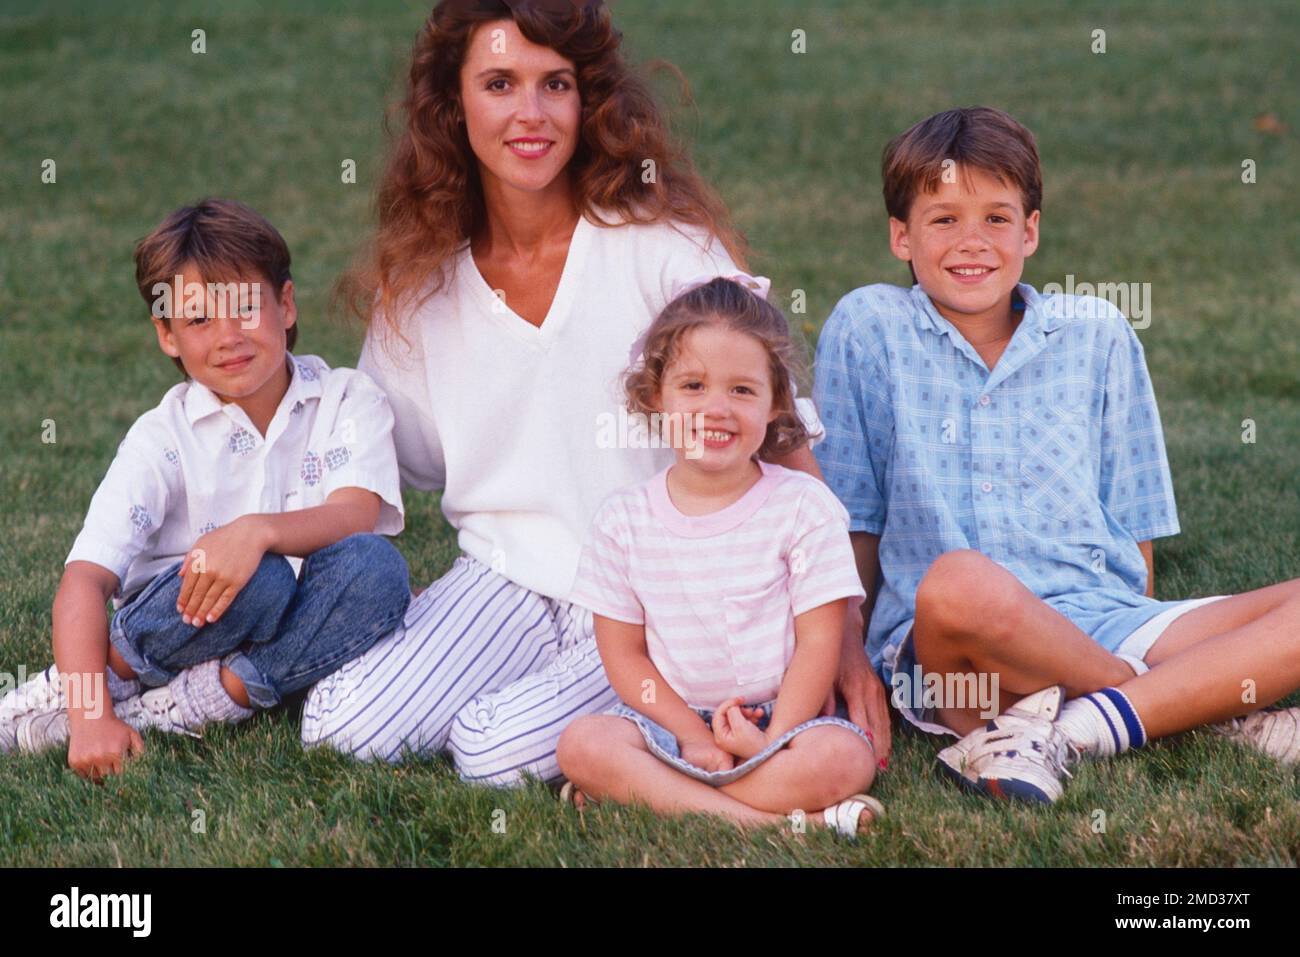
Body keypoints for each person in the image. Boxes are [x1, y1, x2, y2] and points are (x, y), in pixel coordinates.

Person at [300, 0, 895, 785]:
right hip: (503, 576)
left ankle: (669, 739)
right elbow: (379, 462)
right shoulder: (422, 287)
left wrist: (844, 632)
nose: (531, 113)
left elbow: (775, 428)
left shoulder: (659, 246)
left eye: (556, 84)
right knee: (339, 725)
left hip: (657, 589)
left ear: (590, 103)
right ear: (454, 104)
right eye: (500, 83)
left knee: (491, 750)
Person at [813, 106, 1300, 804]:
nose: (971, 241)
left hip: (1096, 617)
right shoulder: (868, 327)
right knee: (959, 582)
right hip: (951, 650)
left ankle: (1070, 728)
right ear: (901, 235)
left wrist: (1140, 626)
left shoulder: (1095, 332)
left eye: (997, 218)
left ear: (1031, 230)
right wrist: (847, 654)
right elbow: (852, 516)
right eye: (944, 218)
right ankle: (1179, 706)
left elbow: (1131, 529)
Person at [0, 199, 410, 781]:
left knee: (376, 569)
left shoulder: (347, 398)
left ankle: (174, 713)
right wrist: (92, 718)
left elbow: (355, 512)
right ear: (166, 335)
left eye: (245, 307)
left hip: (278, 630)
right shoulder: (160, 438)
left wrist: (256, 531)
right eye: (198, 320)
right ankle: (82, 695)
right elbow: (85, 580)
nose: (228, 337)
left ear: (286, 304)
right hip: (170, 630)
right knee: (261, 580)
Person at [556, 276, 882, 837]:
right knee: (582, 743)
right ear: (656, 395)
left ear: (778, 401)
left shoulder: (803, 507)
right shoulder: (623, 521)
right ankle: (767, 821)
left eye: (742, 391)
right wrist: (693, 737)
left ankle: (662, 794)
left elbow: (819, 645)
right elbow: (626, 658)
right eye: (693, 386)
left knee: (843, 760)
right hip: (670, 724)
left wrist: (771, 737)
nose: (716, 409)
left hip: (786, 720)